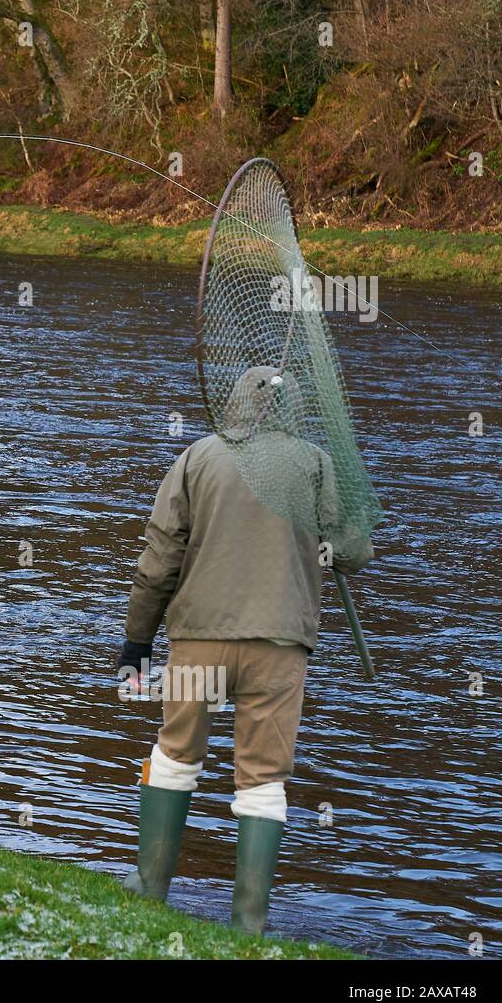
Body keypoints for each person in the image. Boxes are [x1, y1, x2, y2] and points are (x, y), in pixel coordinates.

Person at [117, 365, 373, 935]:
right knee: (263, 778)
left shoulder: (197, 458)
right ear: (296, 409)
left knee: (175, 753)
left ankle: (149, 886)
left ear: (233, 402)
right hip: (280, 647)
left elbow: (158, 562)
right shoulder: (316, 464)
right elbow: (355, 549)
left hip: (198, 641)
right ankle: (249, 923)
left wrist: (137, 642)